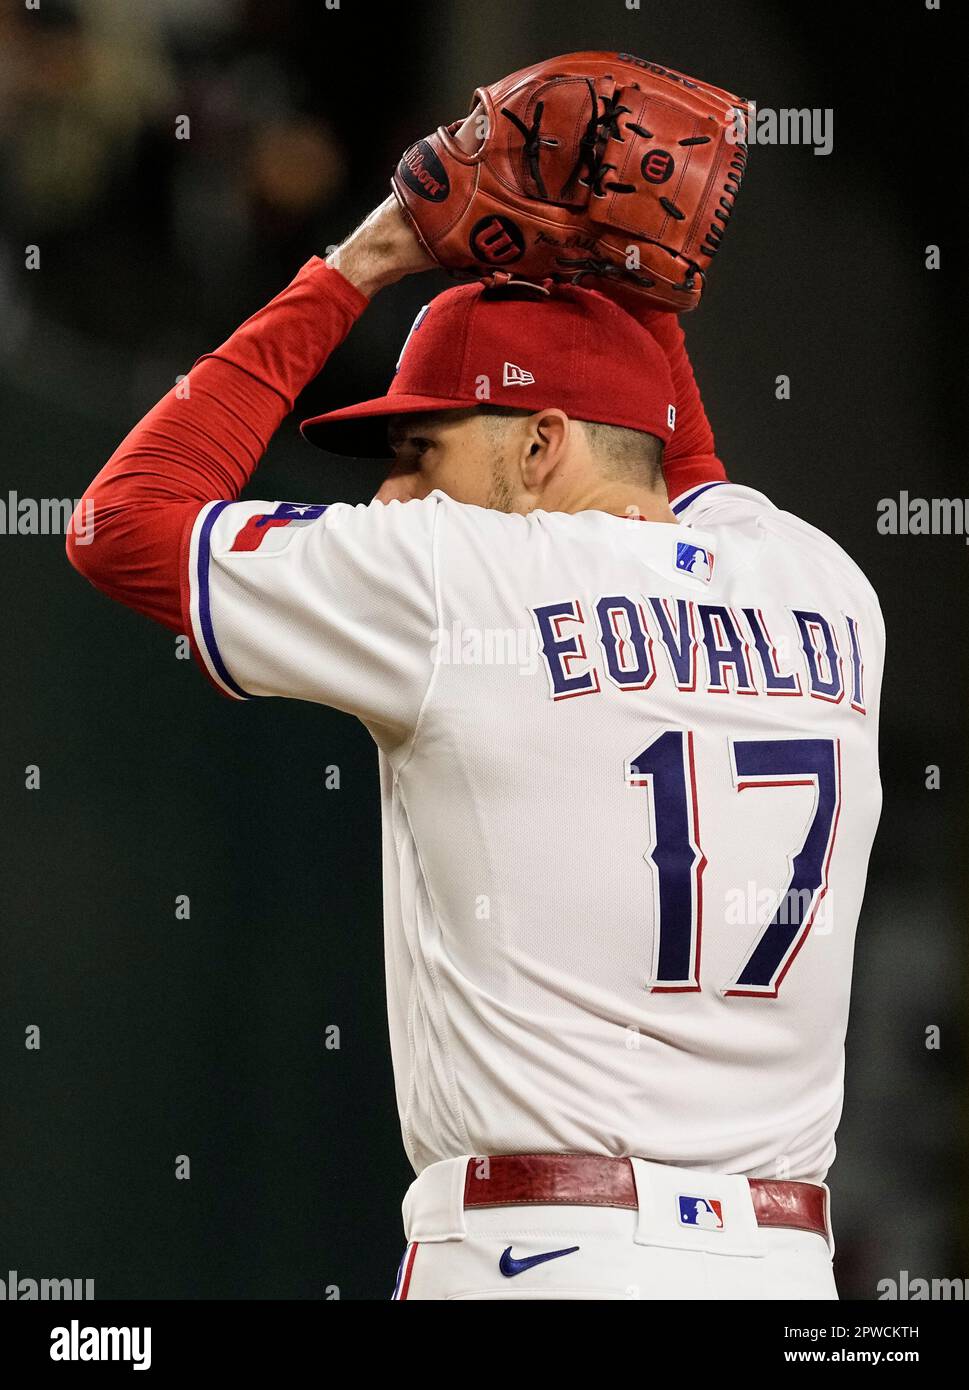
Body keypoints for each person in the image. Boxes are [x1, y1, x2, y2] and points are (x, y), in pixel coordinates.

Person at [67, 191, 883, 1301]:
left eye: (422, 448)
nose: (393, 489)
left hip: (542, 1253)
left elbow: (119, 524)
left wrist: (359, 263)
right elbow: (673, 464)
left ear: (540, 443)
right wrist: (633, 266)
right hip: (783, 1268)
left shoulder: (459, 575)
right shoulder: (822, 585)